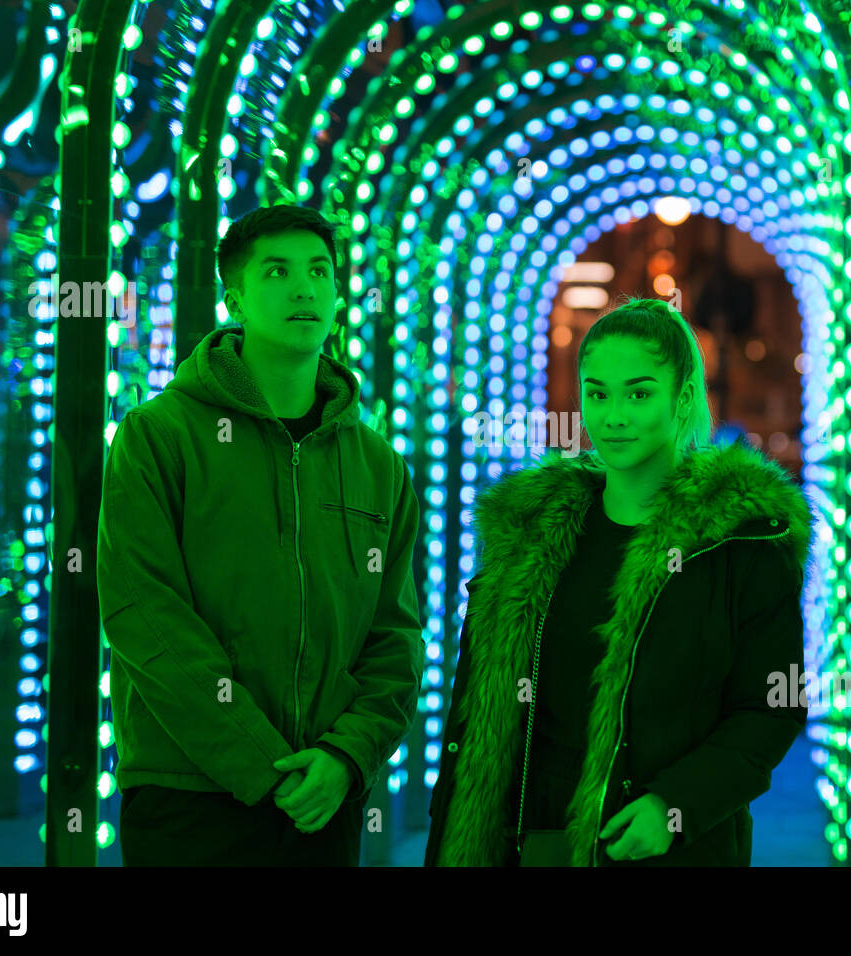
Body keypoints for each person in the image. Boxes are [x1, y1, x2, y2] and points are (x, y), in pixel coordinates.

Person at [425, 296, 814, 867]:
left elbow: (771, 707)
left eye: (638, 392)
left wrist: (675, 806)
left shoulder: (741, 543)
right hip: (531, 844)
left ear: (682, 399)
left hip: (663, 849)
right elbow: (478, 713)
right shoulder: (531, 533)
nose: (613, 416)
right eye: (597, 393)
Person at [97, 204, 423, 866]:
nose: (305, 288)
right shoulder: (161, 436)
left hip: (322, 798)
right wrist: (261, 762)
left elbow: (395, 636)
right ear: (235, 297)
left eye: (320, 271)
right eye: (277, 271)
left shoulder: (377, 464)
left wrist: (344, 754)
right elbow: (144, 614)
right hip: (188, 793)